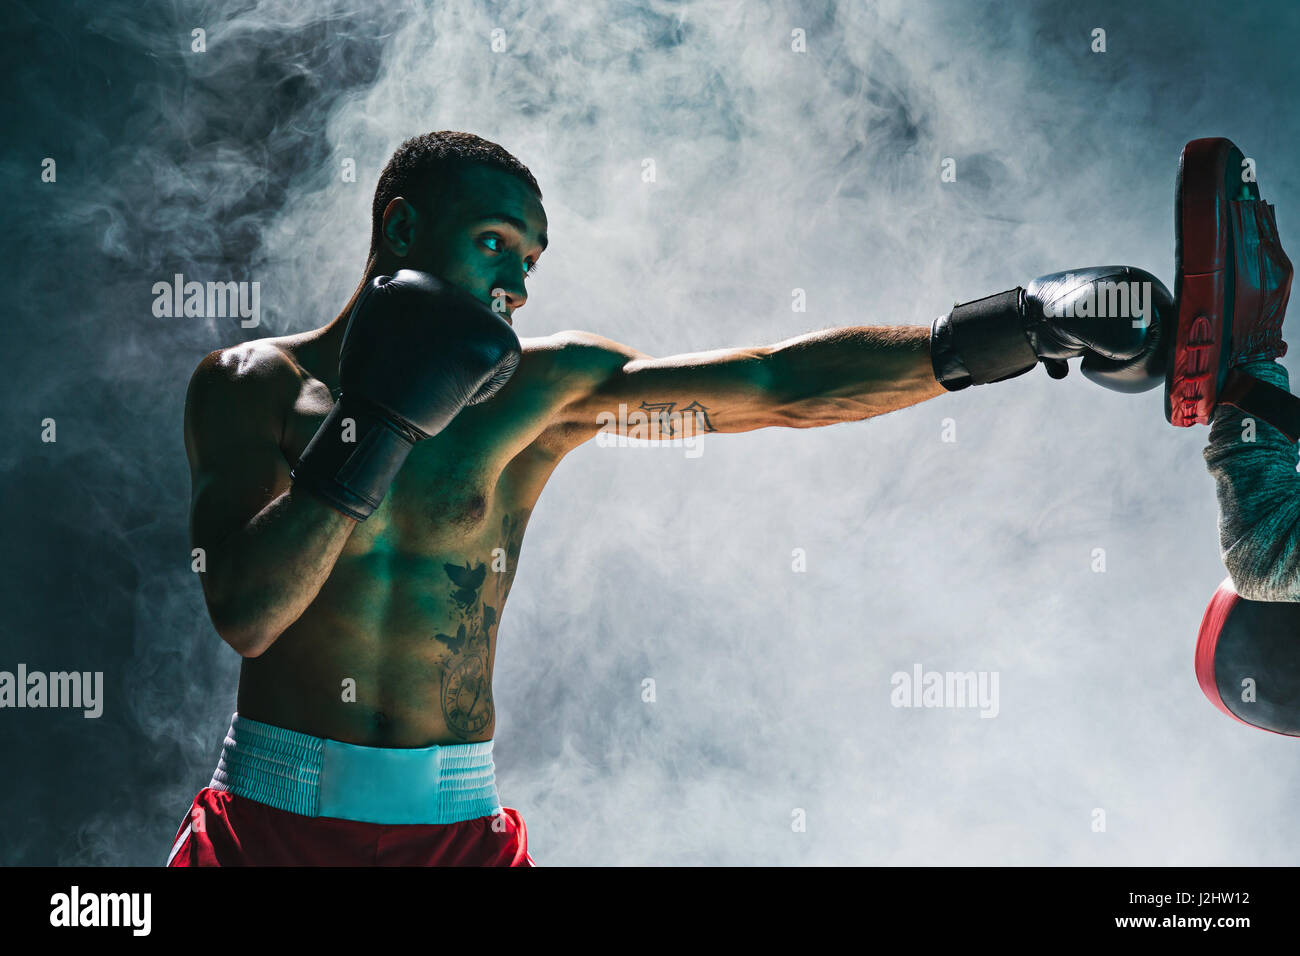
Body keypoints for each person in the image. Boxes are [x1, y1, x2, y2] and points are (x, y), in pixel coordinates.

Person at [167, 130, 1165, 866]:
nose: (516, 283)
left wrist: (1008, 332)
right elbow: (249, 614)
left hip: (451, 834)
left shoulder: (540, 396)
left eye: (531, 261)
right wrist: (377, 422)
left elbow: (773, 388)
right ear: (401, 225)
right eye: (495, 243)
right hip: (262, 826)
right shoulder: (251, 383)